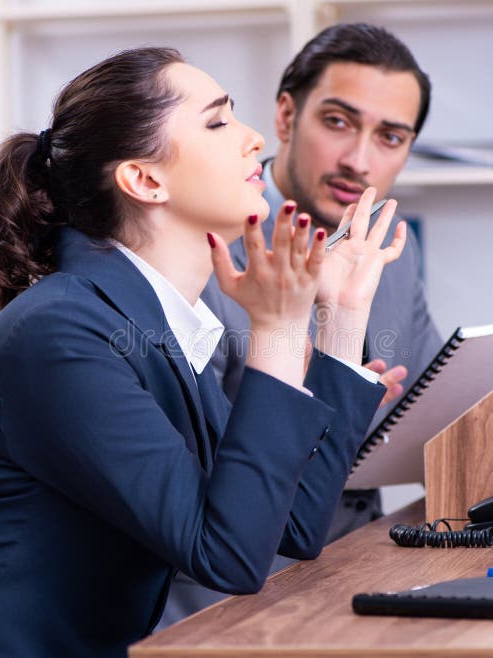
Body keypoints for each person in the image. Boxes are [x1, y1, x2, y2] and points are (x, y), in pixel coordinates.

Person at [0, 47, 408, 656]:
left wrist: (340, 314)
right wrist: (277, 328)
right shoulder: (59, 333)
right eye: (218, 122)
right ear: (145, 180)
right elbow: (229, 556)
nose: (255, 139)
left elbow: (292, 526)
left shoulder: (160, 323)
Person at [160, 23, 444, 626]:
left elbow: (428, 404)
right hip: (222, 592)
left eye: (390, 137)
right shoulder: (202, 236)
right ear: (286, 116)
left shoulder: (393, 249)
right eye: (337, 122)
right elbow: (177, 460)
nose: (358, 161)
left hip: (352, 560)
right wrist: (322, 394)